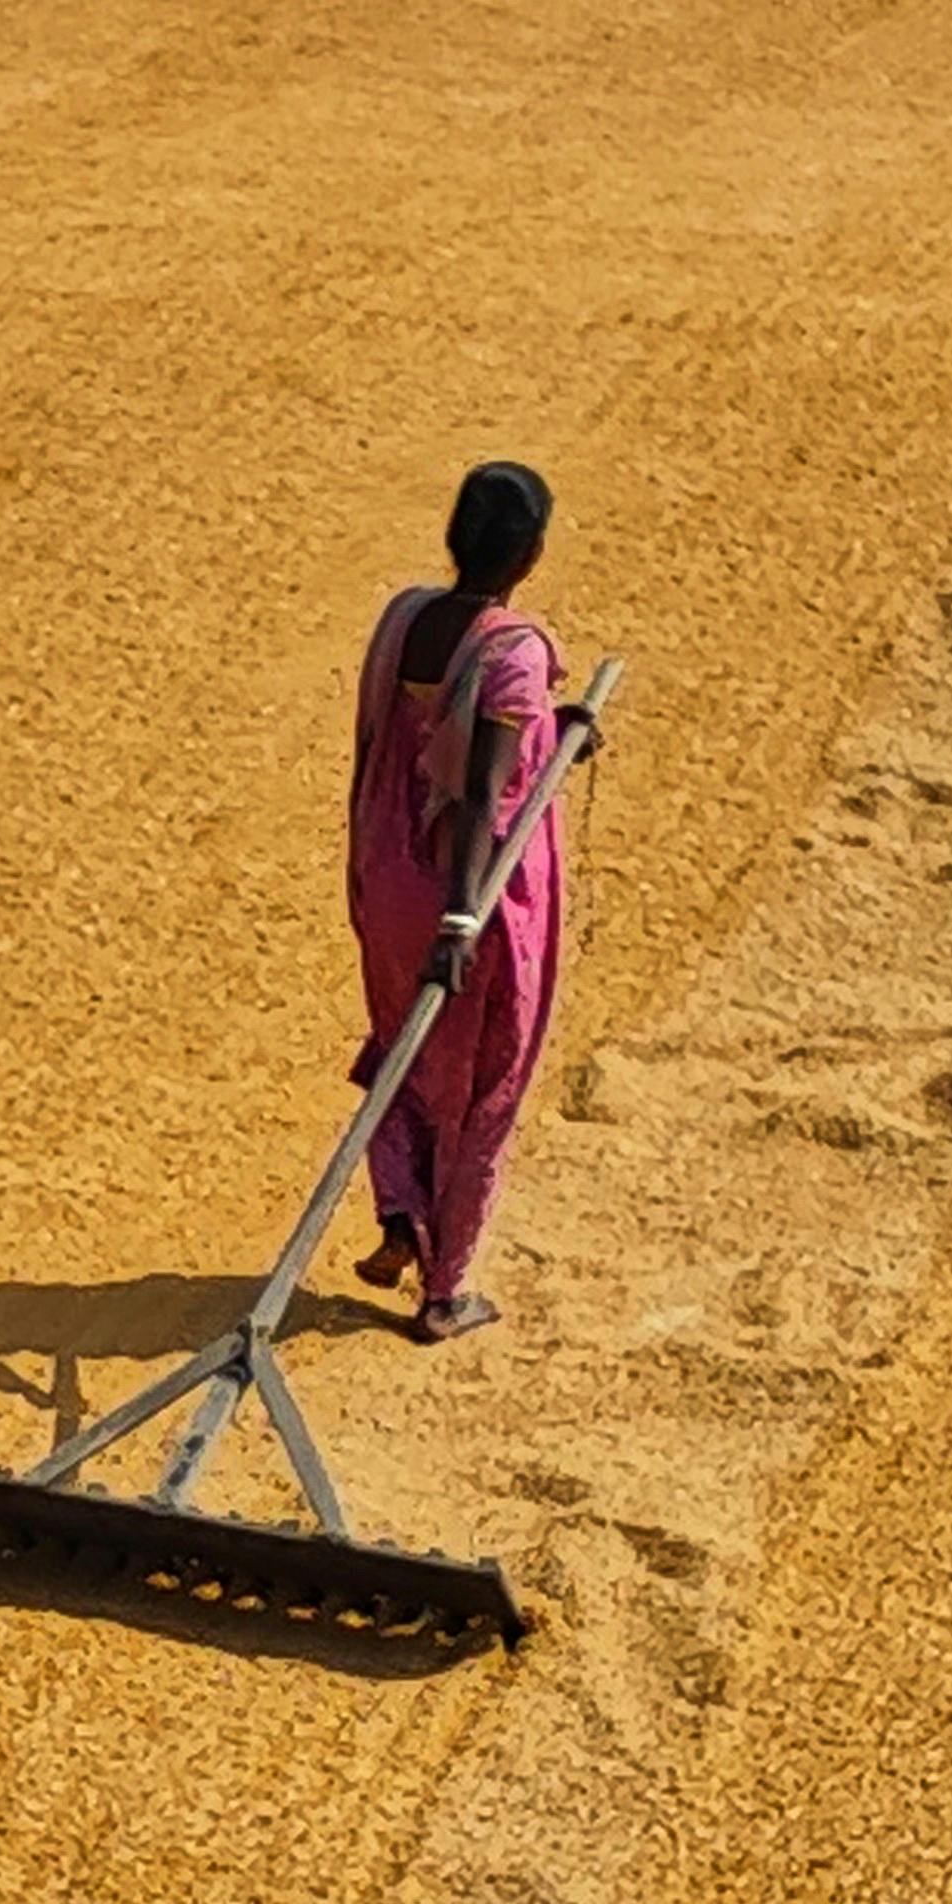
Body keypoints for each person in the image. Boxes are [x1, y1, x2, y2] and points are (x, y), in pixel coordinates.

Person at [341, 459, 566, 1342]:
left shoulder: (407, 619)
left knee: (401, 1046)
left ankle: (401, 1209)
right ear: (532, 553)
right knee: (484, 1082)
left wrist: (559, 736)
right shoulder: (515, 654)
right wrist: (464, 917)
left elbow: (440, 743)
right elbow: (481, 791)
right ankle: (446, 1289)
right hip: (474, 899)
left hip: (388, 880)